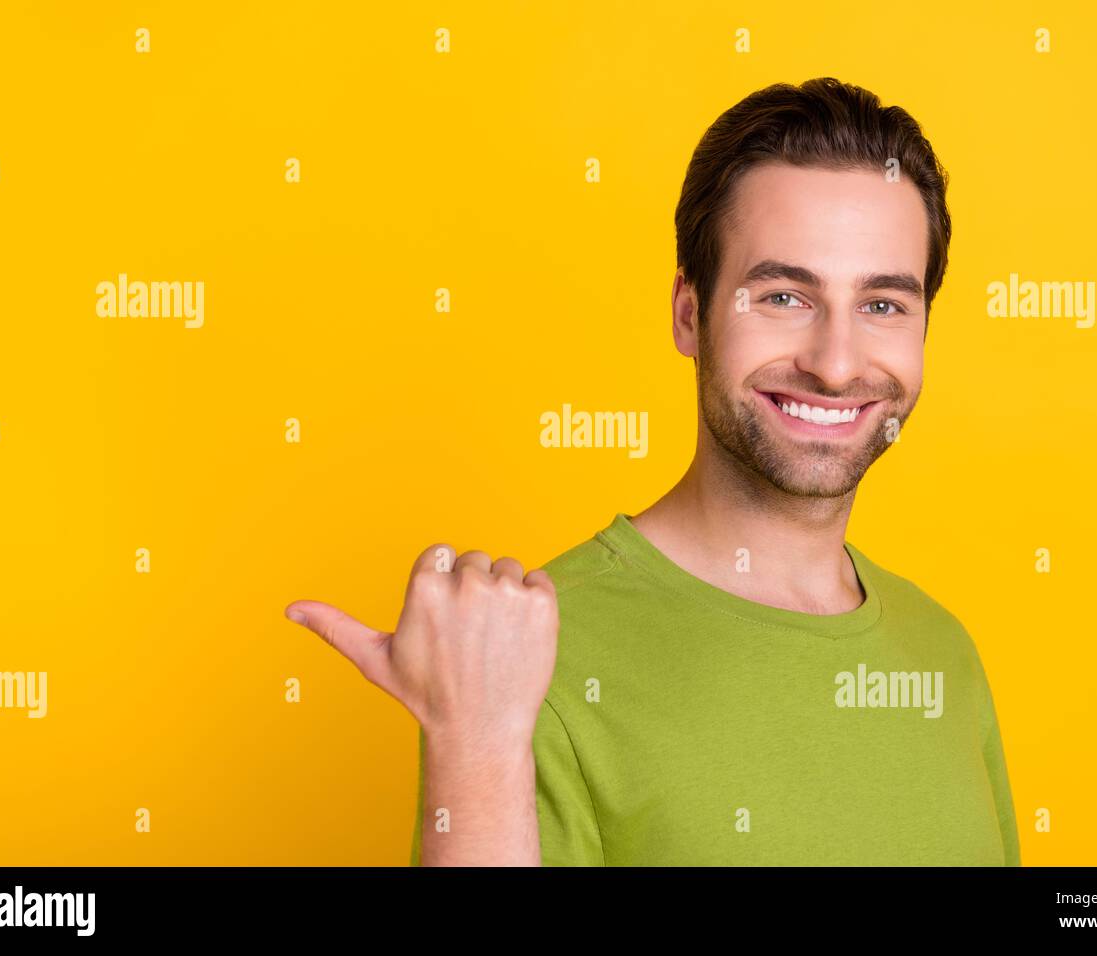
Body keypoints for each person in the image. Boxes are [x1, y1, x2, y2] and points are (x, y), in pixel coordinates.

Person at [286, 77, 1021, 866]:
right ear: (689, 313)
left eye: (882, 305)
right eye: (782, 295)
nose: (836, 365)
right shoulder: (522, 666)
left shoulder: (943, 653)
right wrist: (475, 746)